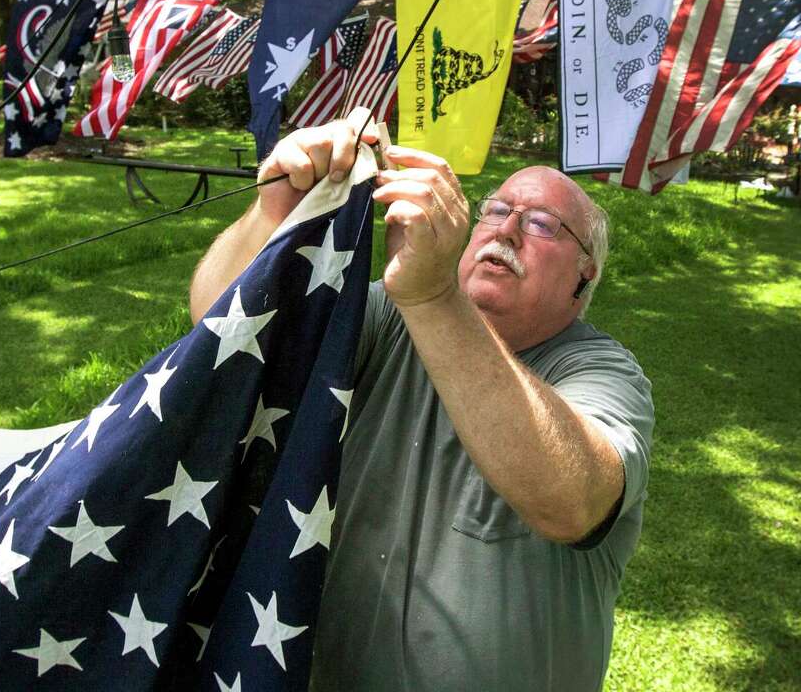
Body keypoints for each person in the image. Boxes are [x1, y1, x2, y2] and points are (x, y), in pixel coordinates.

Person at [189, 109, 654, 691]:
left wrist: (434, 296)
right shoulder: (391, 313)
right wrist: (274, 213)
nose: (505, 230)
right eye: (497, 210)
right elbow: (224, 329)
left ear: (584, 277)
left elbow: (574, 501)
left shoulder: (602, 372)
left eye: (541, 224)